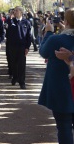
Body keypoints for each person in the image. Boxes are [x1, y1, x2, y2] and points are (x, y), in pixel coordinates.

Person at [38, 8, 74, 144]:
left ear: (66, 21)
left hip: (61, 90)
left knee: (64, 127)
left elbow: (43, 52)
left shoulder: (55, 39)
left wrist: (48, 32)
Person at [5, 6, 32, 89]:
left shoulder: (26, 22)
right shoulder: (10, 21)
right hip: (12, 46)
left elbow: (29, 36)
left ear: (21, 12)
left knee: (21, 65)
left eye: (16, 11)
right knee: (13, 63)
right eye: (14, 11)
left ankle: (22, 82)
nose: (14, 12)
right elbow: (6, 33)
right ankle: (15, 77)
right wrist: (9, 19)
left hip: (22, 47)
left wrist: (27, 47)